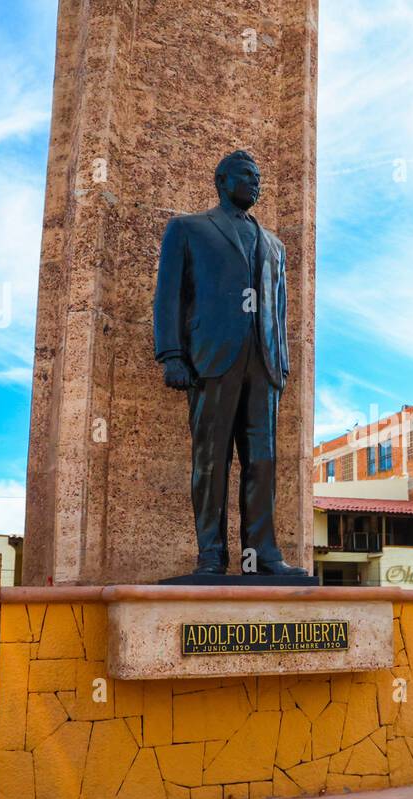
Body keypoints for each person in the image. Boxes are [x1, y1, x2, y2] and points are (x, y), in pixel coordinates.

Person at [152, 150, 307, 576]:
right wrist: (171, 355)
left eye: (259, 176)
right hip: (210, 361)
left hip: (264, 365)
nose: (255, 182)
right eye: (246, 175)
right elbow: (169, 296)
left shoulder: (275, 245)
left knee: (262, 460)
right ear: (221, 180)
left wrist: (283, 365)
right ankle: (211, 555)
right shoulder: (187, 229)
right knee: (210, 460)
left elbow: (280, 307)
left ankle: (262, 556)